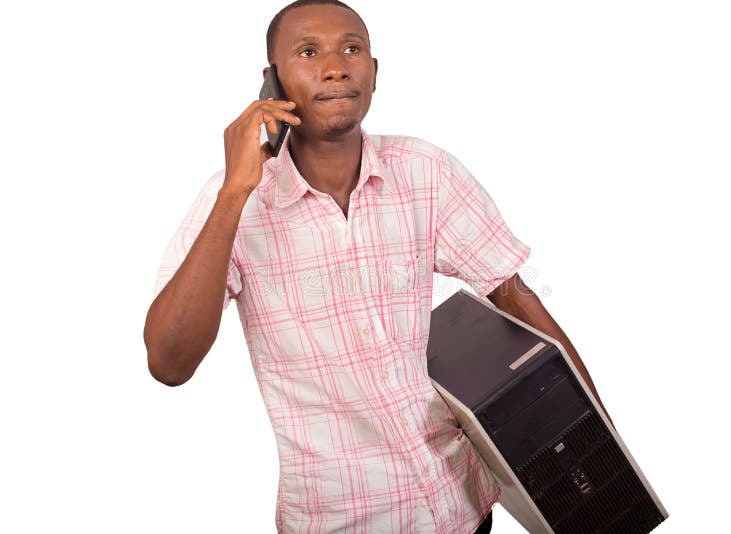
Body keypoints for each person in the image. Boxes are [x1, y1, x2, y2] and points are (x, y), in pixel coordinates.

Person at [143, 1, 609, 532]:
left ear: (374, 72)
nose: (336, 66)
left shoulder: (424, 171)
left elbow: (516, 298)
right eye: (308, 51)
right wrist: (235, 190)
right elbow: (169, 363)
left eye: (351, 48)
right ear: (270, 82)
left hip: (461, 505)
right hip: (343, 520)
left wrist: (601, 446)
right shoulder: (234, 201)